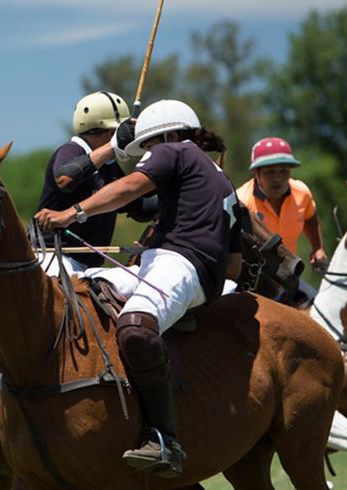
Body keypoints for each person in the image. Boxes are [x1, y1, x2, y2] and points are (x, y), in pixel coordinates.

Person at [35, 99, 242, 478]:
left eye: (147, 148)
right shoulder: (219, 178)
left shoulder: (176, 150)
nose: (147, 156)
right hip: (164, 260)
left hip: (184, 265)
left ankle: (164, 438)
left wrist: (71, 213)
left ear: (169, 135)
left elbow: (131, 187)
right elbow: (235, 264)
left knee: (134, 323)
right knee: (82, 293)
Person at [35, 91, 156, 276]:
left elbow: (140, 209)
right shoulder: (71, 150)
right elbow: (64, 179)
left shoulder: (110, 166)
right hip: (54, 259)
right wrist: (113, 146)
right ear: (110, 134)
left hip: (88, 268)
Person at [236, 137, 327, 301]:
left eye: (284, 171)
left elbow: (310, 217)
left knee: (320, 316)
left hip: (289, 278)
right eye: (270, 172)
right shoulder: (241, 201)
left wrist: (317, 248)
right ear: (256, 173)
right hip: (255, 284)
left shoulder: (302, 193)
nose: (278, 178)